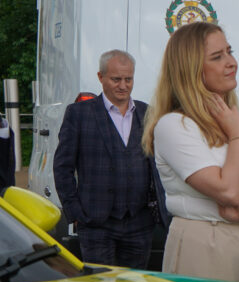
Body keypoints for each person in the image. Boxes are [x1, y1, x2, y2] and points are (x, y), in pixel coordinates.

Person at [142, 21, 239, 282]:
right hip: (206, 246)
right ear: (191, 70)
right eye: (217, 56)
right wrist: (236, 136)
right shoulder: (175, 125)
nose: (231, 62)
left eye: (230, 52)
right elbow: (229, 192)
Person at [52, 50, 166, 267]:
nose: (123, 85)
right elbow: (62, 167)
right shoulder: (78, 114)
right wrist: (74, 212)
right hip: (95, 223)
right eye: (116, 79)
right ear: (100, 77)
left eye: (128, 79)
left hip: (139, 224)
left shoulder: (147, 113)